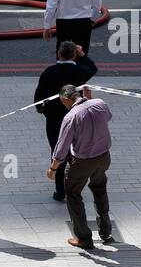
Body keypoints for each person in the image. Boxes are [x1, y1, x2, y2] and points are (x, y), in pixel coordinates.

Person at [49, 84, 114, 249]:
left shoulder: (71, 117)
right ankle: (106, 231)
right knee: (99, 189)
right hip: (103, 157)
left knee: (73, 194)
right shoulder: (100, 103)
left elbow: (62, 147)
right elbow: (107, 117)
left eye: (62, 102)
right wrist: (90, 101)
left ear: (65, 99)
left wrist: (53, 168)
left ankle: (84, 238)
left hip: (82, 162)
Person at [35, 41, 99, 201]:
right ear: (75, 55)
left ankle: (60, 190)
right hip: (77, 117)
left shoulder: (48, 72)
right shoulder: (80, 71)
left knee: (57, 150)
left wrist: (43, 110)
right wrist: (83, 56)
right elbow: (93, 68)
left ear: (58, 54)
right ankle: (74, 187)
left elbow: (38, 97)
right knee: (75, 152)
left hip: (54, 120)